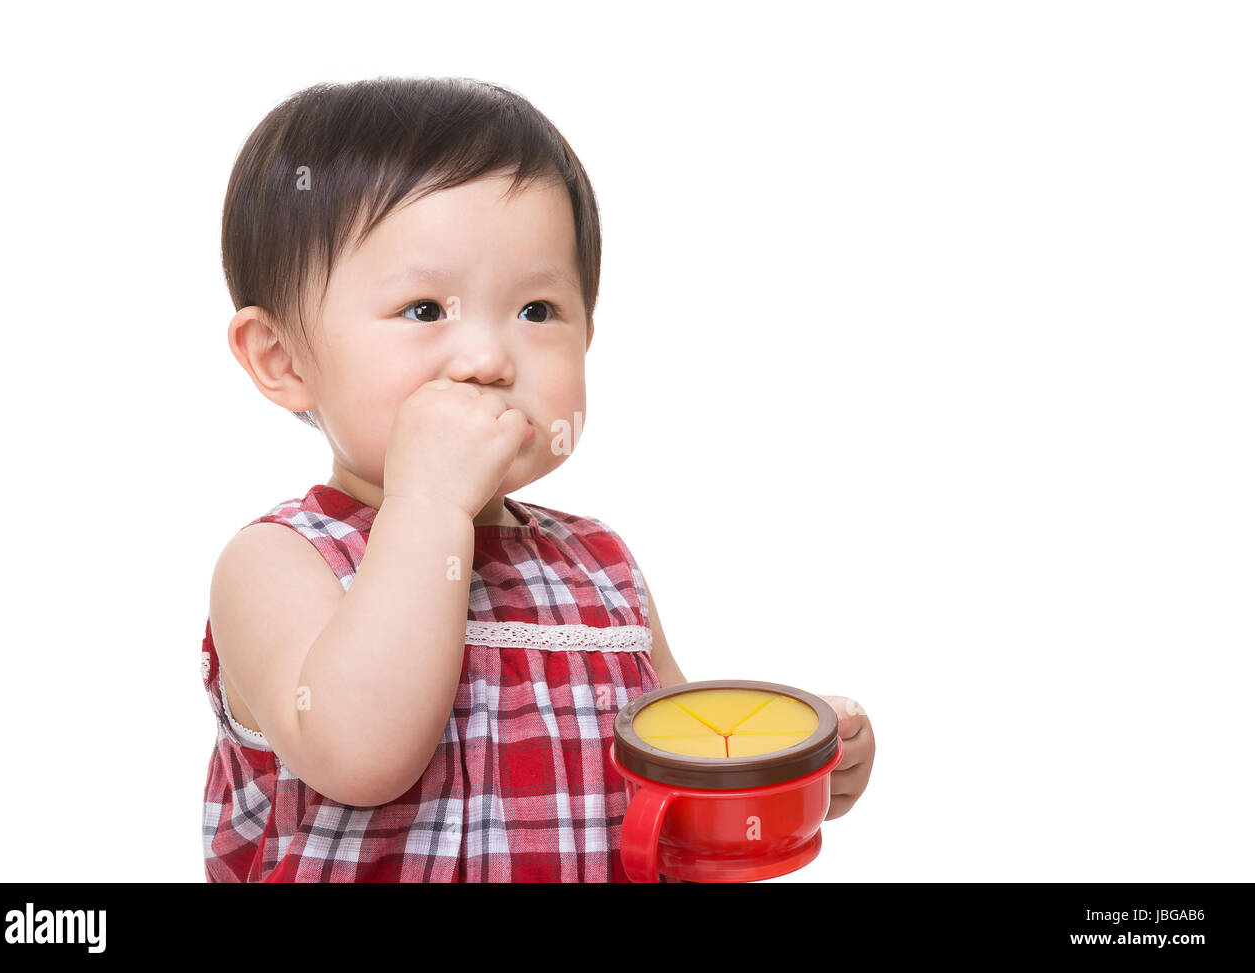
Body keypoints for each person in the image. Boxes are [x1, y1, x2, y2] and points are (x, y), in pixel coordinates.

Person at [202, 76, 875, 882]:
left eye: (537, 311)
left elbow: (668, 771)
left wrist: (779, 766)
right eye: (424, 309)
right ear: (280, 359)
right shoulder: (280, 564)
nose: (489, 359)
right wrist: (428, 504)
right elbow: (356, 752)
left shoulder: (603, 567)